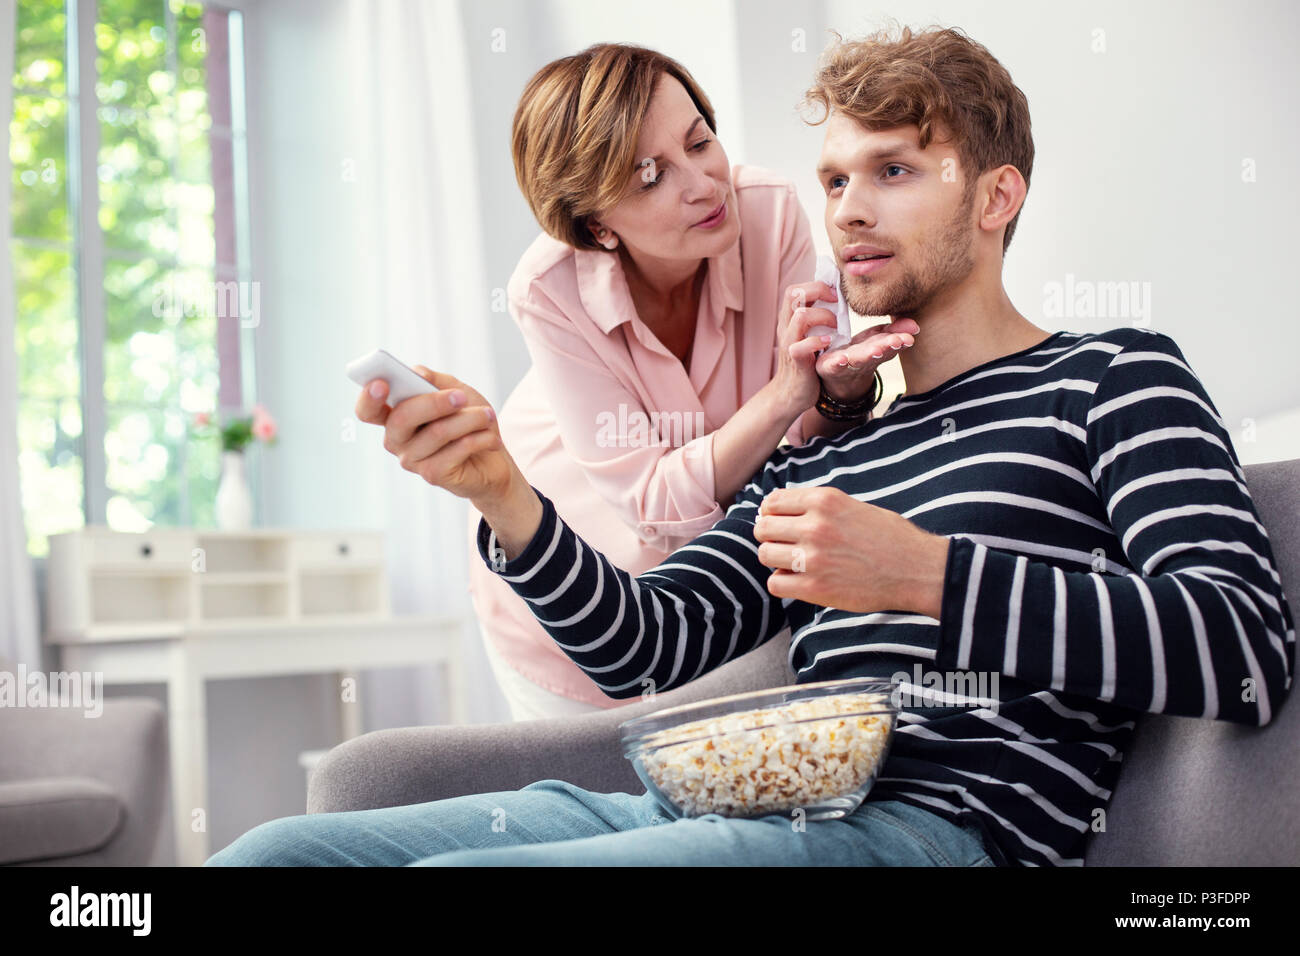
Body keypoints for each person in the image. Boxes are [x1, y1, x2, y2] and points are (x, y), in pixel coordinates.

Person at [208, 24, 1293, 867]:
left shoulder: (1109, 375)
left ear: (997, 196)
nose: (848, 212)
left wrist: (926, 575)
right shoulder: (831, 443)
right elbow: (643, 643)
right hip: (734, 798)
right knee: (282, 851)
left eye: (894, 171)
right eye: (832, 181)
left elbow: (1242, 646)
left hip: (937, 829)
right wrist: (502, 493)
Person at [467, 42, 918, 721]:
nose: (705, 184)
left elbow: (799, 449)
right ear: (597, 226)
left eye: (700, 142)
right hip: (567, 615)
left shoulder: (766, 214)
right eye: (651, 178)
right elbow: (648, 505)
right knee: (596, 805)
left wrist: (841, 392)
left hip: (705, 611)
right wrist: (783, 395)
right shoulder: (547, 289)